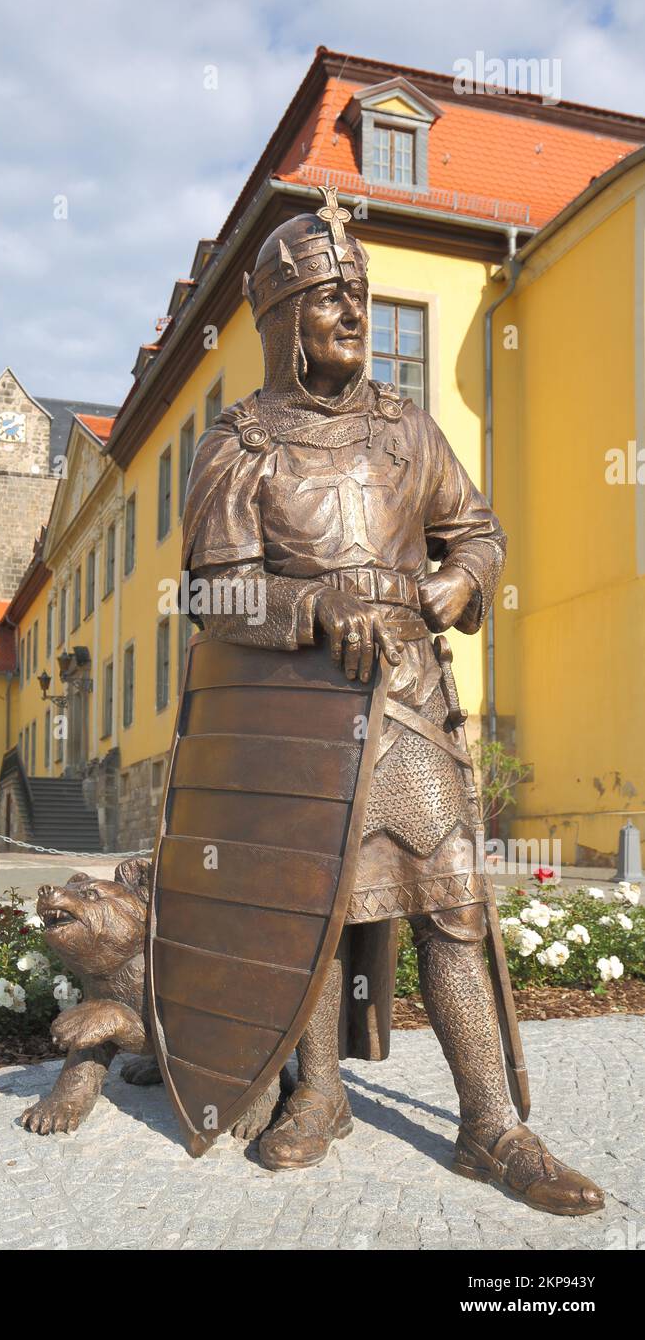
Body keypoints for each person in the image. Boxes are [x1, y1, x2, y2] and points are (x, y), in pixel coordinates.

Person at [179, 187, 603, 1213]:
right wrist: (314, 605)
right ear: (284, 317)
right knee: (313, 916)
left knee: (452, 906)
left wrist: (461, 583)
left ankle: (490, 1124)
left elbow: (479, 531)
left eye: (360, 296)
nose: (353, 316)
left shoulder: (407, 429)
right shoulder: (239, 443)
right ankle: (317, 1092)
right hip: (294, 719)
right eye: (330, 297)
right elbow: (209, 589)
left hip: (408, 703)